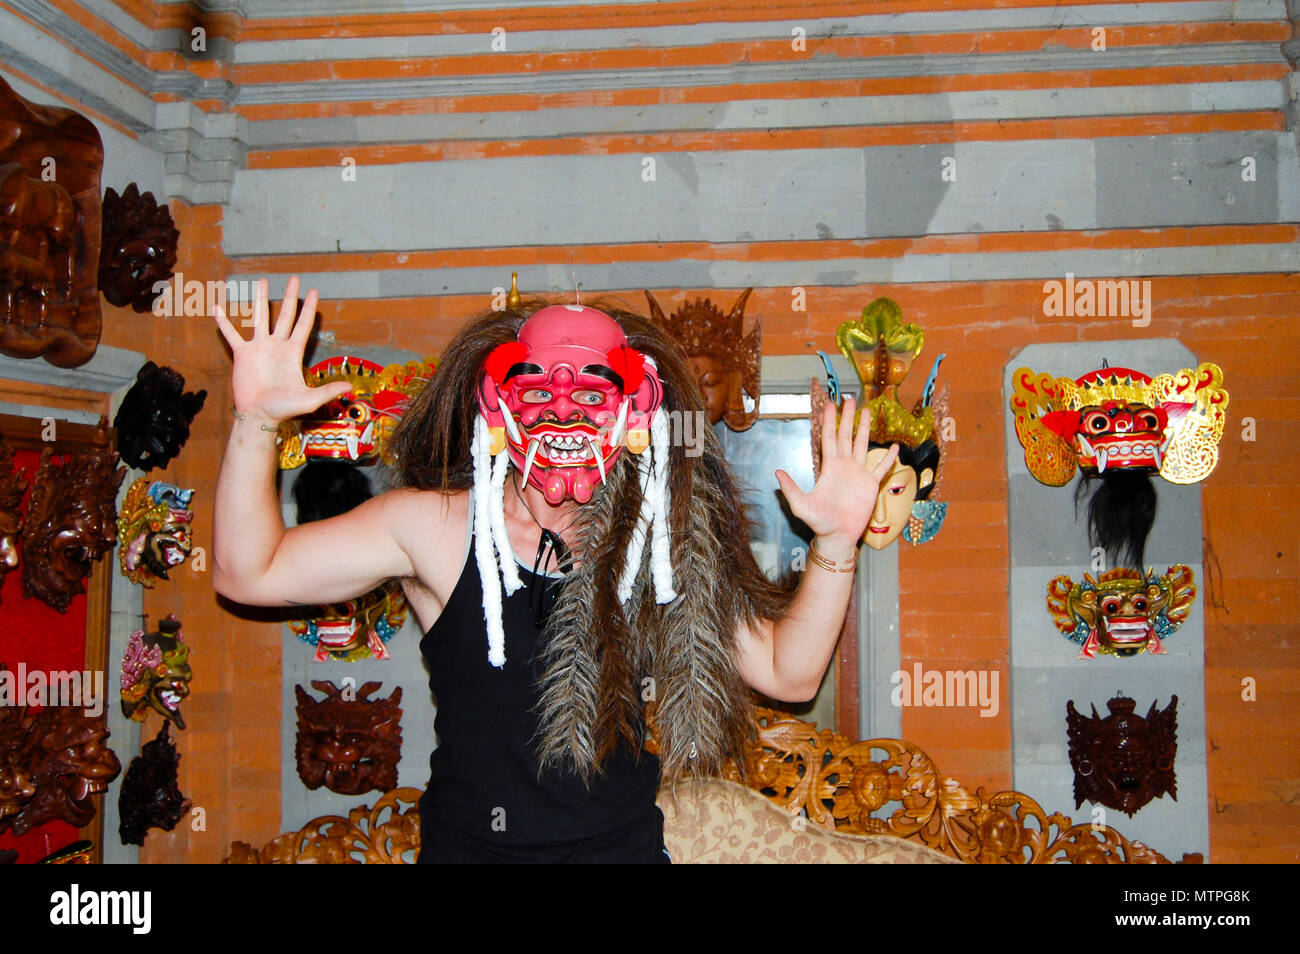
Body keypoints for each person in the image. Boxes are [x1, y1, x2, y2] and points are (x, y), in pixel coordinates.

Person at [211, 277, 899, 863]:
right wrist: (253, 424)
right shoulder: (434, 526)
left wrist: (837, 541)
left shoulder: (655, 539)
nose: (563, 412)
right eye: (538, 392)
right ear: (497, 406)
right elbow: (251, 574)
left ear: (635, 410)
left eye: (591, 394)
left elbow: (790, 671)